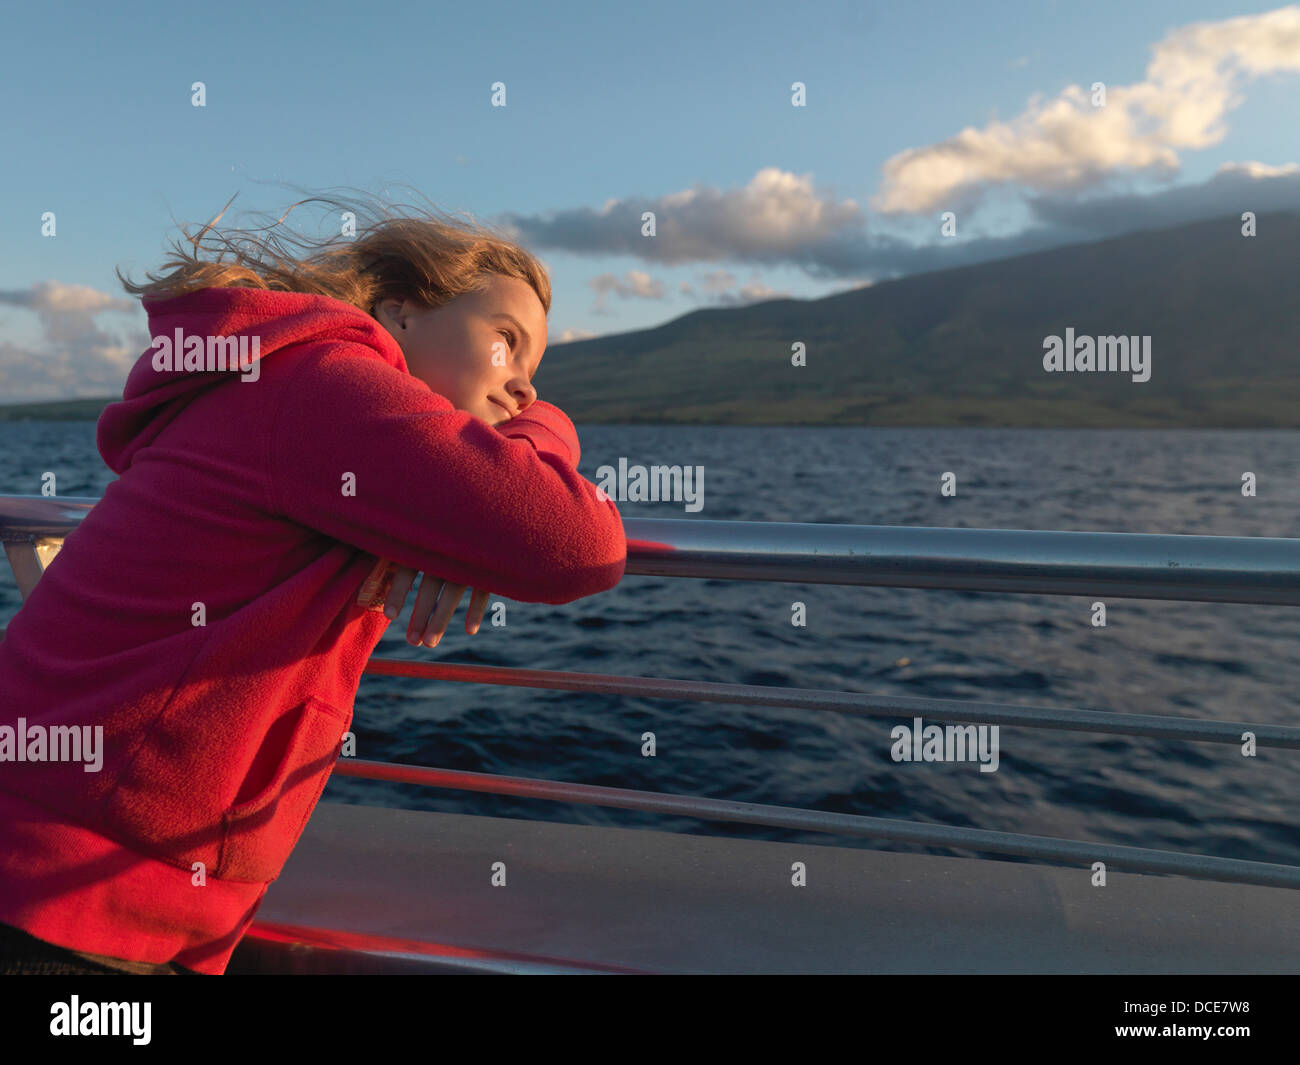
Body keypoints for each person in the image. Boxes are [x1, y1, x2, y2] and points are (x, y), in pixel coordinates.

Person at [0, 189, 627, 975]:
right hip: (63, 897)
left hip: (89, 879)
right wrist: (543, 440)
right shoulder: (326, 383)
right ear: (399, 314)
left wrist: (462, 514)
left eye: (535, 370)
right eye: (505, 343)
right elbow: (578, 542)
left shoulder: (294, 385)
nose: (524, 387)